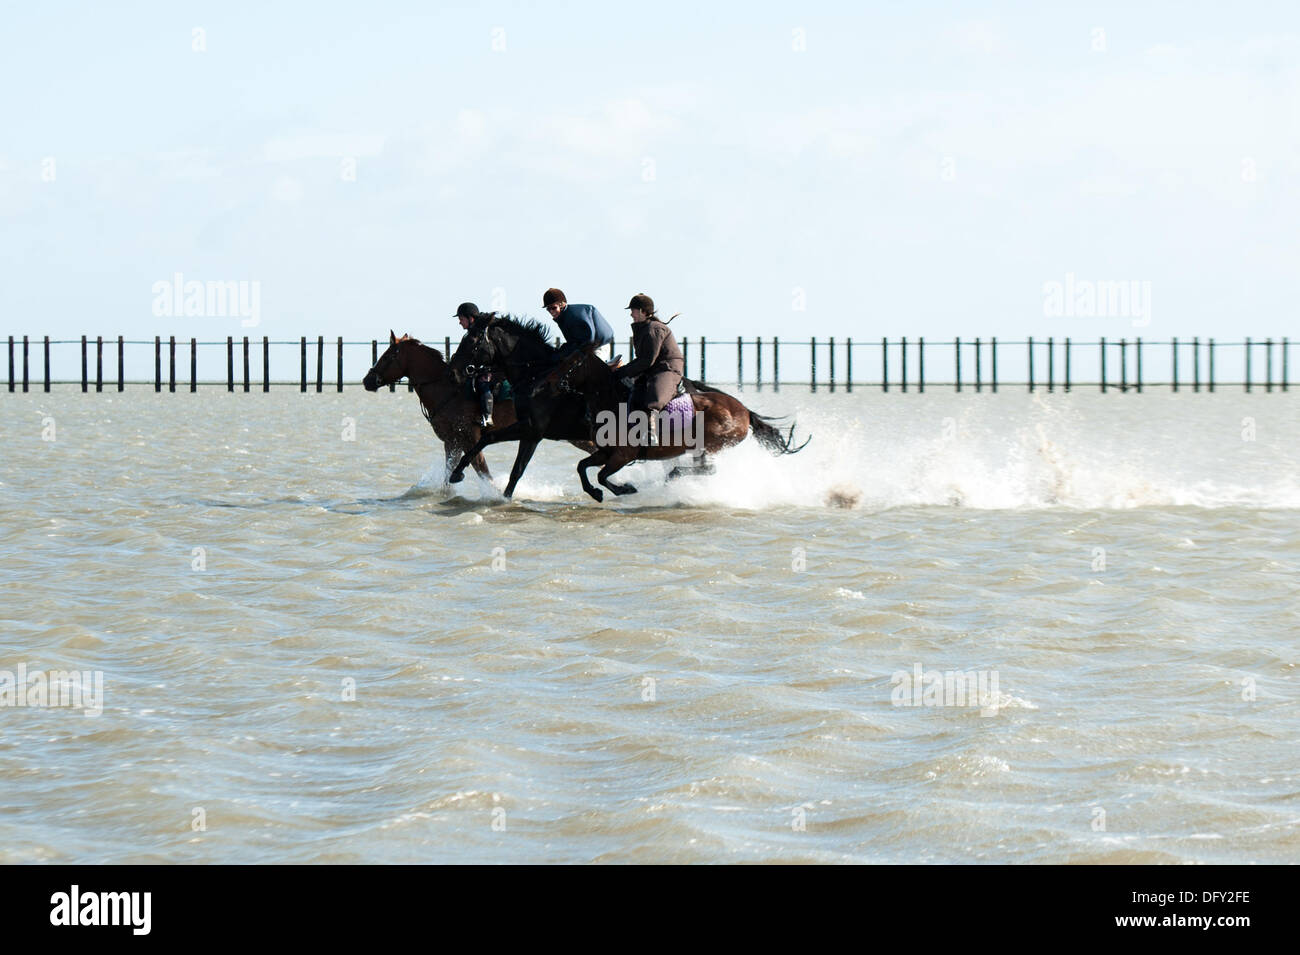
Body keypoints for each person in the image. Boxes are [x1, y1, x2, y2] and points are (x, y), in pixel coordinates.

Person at [618, 293, 683, 446]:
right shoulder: (643, 329)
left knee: (655, 395)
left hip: (667, 369)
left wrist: (623, 371)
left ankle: (651, 431)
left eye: (633, 310)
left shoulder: (654, 329)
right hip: (653, 368)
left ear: (642, 311)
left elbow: (647, 360)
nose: (631, 314)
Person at [542, 288, 616, 361]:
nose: (551, 312)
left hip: (599, 347)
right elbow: (574, 343)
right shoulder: (564, 317)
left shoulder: (573, 316)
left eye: (553, 308)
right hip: (591, 345)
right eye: (548, 309)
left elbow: (587, 342)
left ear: (562, 305)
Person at [454, 302, 495, 428]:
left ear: (470, 318)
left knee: (482, 384)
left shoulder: (482, 333)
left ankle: (487, 417)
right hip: (477, 369)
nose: (459, 322)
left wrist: (488, 370)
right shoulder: (469, 334)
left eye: (461, 319)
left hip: (491, 370)